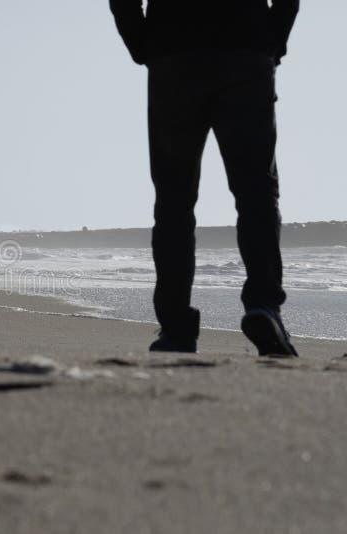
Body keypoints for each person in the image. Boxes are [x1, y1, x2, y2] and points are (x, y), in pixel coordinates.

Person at [109, 0, 300, 356]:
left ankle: (176, 328)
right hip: (245, 48)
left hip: (175, 53)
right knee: (256, 193)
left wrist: (143, 44)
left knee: (174, 201)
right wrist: (273, 39)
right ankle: (264, 305)